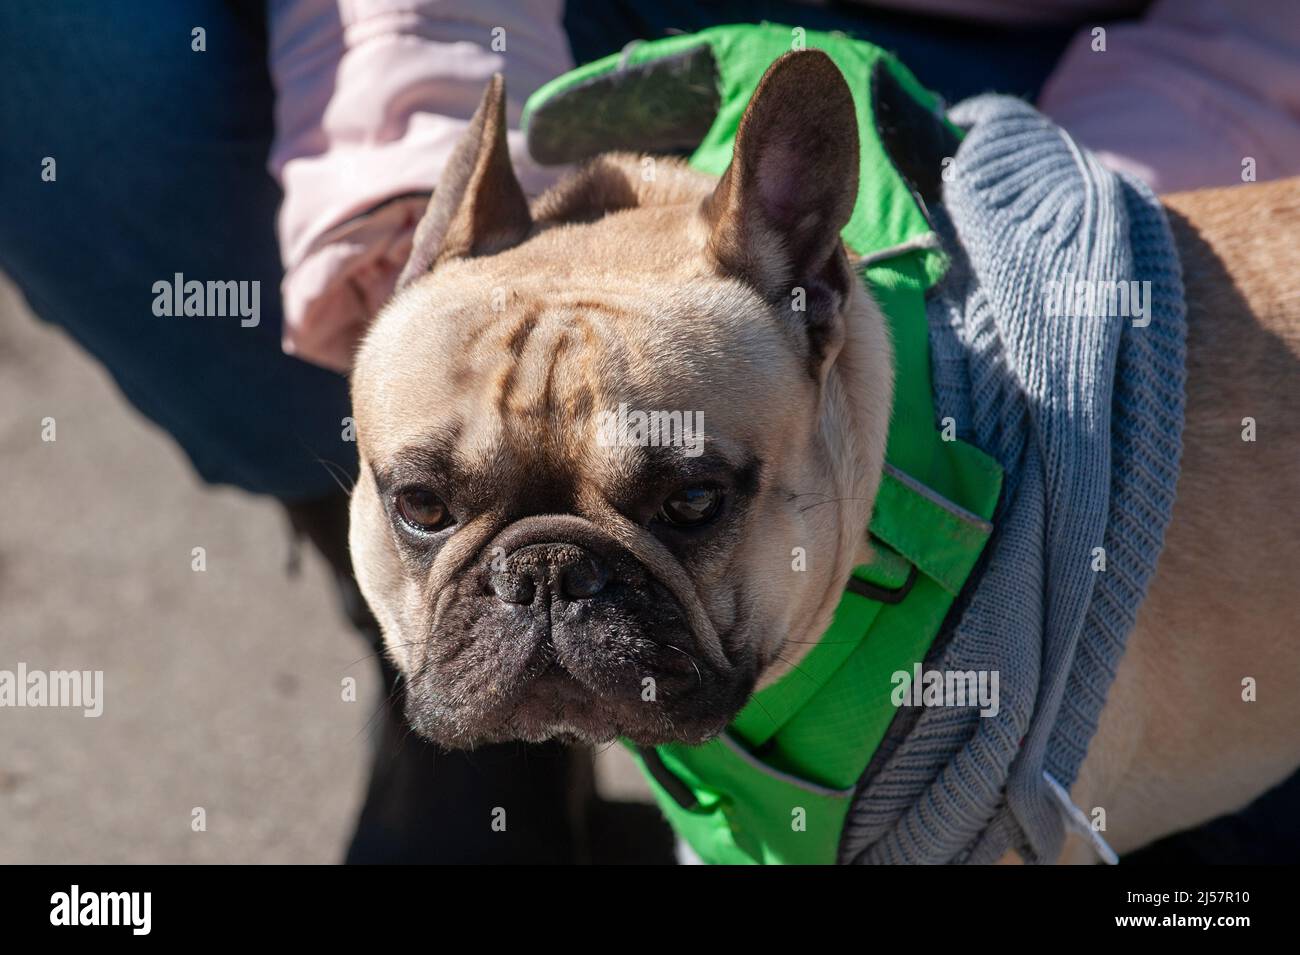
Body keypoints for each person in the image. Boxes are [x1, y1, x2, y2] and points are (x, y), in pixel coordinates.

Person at [3, 0, 1297, 863]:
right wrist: (404, 146)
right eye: (432, 506)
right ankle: (477, 749)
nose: (548, 595)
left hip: (1110, 68)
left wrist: (1051, 255)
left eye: (679, 506)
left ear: (814, 315)